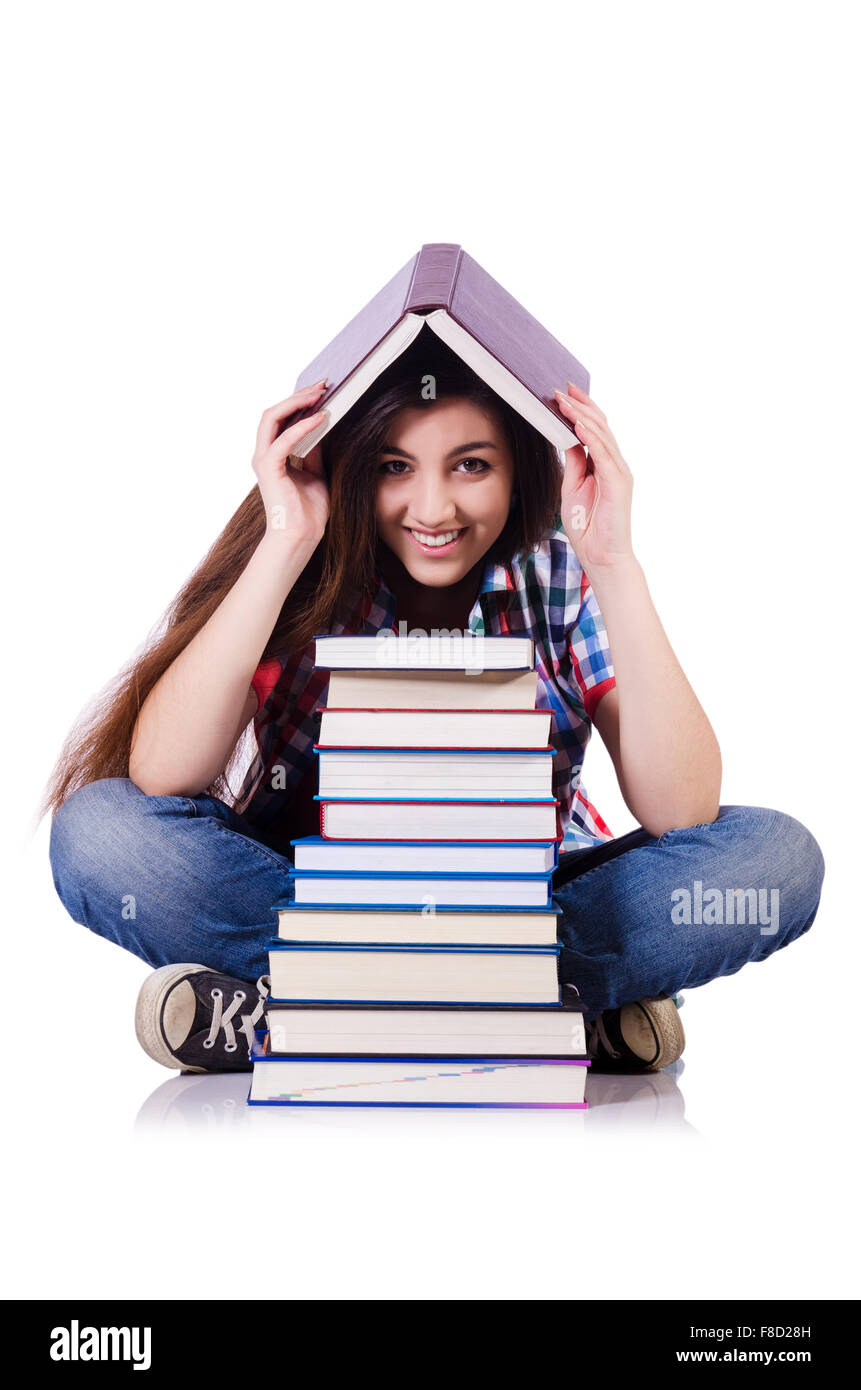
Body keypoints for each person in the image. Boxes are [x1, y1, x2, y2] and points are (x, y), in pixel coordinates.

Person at [43, 333, 825, 1075]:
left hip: (519, 914)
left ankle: (305, 1014)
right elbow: (159, 772)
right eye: (393, 466)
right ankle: (536, 1017)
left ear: (518, 469)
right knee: (100, 833)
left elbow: (682, 810)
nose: (432, 509)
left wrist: (614, 562)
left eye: (469, 466)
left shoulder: (557, 574)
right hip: (316, 903)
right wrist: (284, 539)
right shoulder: (313, 569)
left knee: (775, 859)